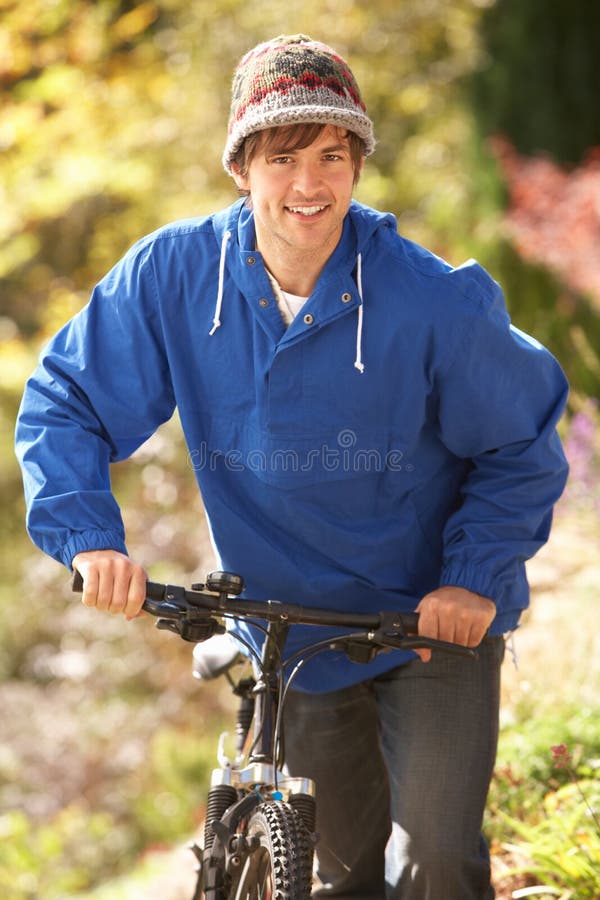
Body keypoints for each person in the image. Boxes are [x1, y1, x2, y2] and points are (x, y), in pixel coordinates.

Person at [15, 34, 568, 899]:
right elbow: (67, 400)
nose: (310, 184)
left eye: (331, 156)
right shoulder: (174, 276)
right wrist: (89, 538)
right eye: (283, 158)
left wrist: (472, 578)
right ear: (241, 167)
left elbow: (521, 439)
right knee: (340, 875)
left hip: (428, 623)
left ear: (357, 166)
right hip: (291, 629)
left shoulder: (429, 299)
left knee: (432, 862)